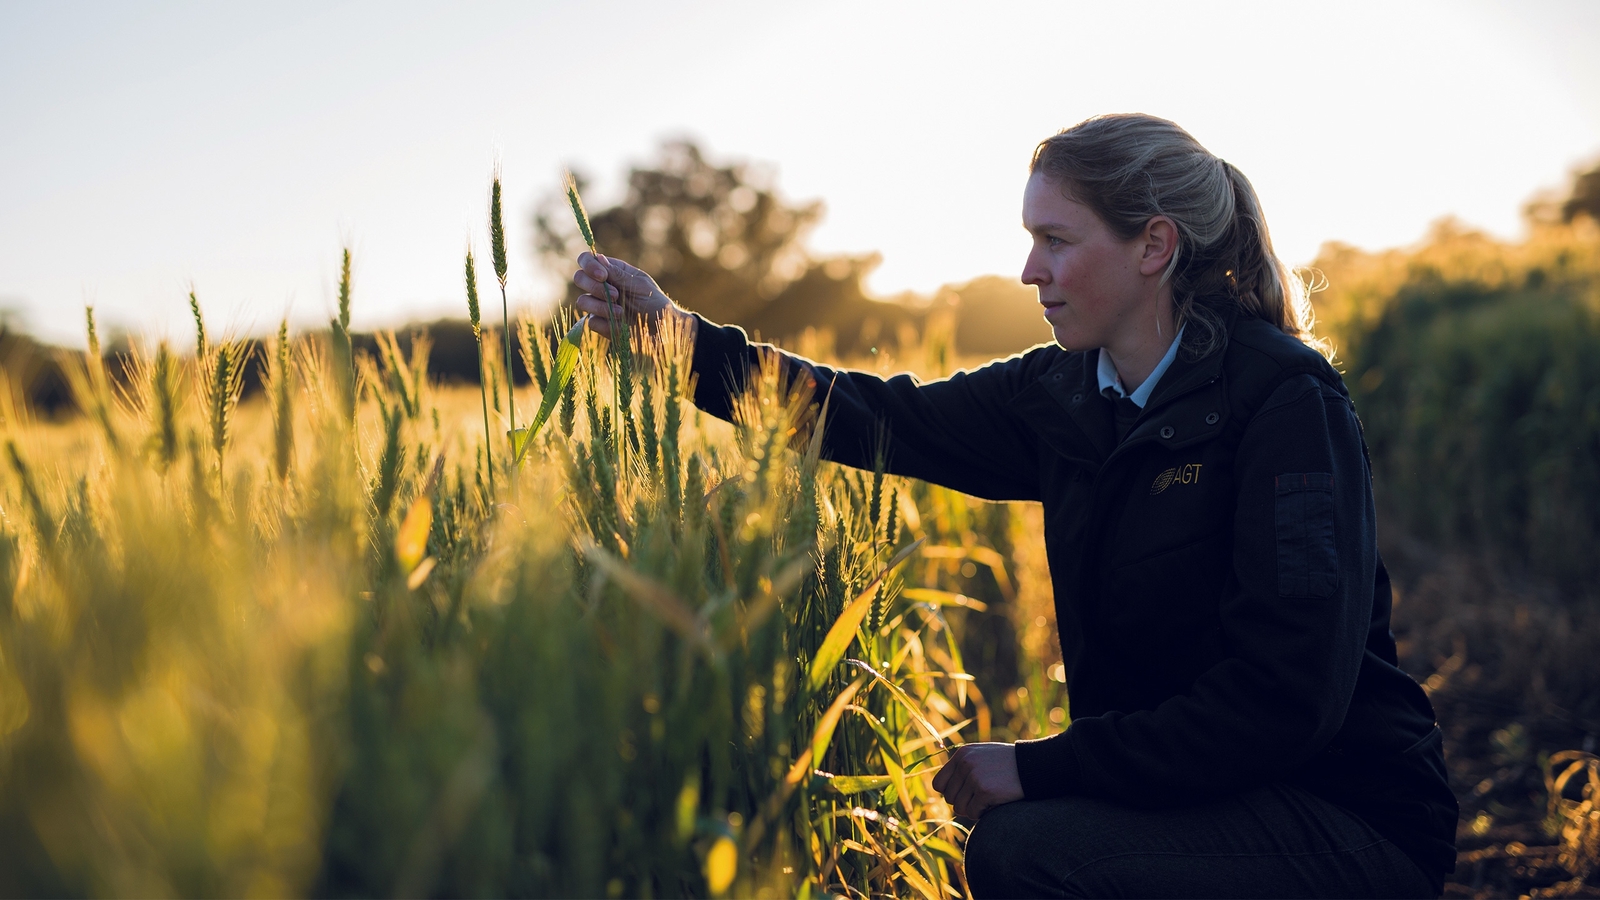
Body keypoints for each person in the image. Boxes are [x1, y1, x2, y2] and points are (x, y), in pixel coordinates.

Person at [571, 113, 1457, 899]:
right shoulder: (1064, 394)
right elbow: (875, 414)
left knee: (1027, 850)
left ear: (1154, 247)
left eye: (1056, 239)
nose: (1030, 269)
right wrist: (678, 340)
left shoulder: (1285, 402)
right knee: (1025, 837)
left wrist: (1043, 767)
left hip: (1345, 816)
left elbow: (1286, 702)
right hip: (1199, 793)